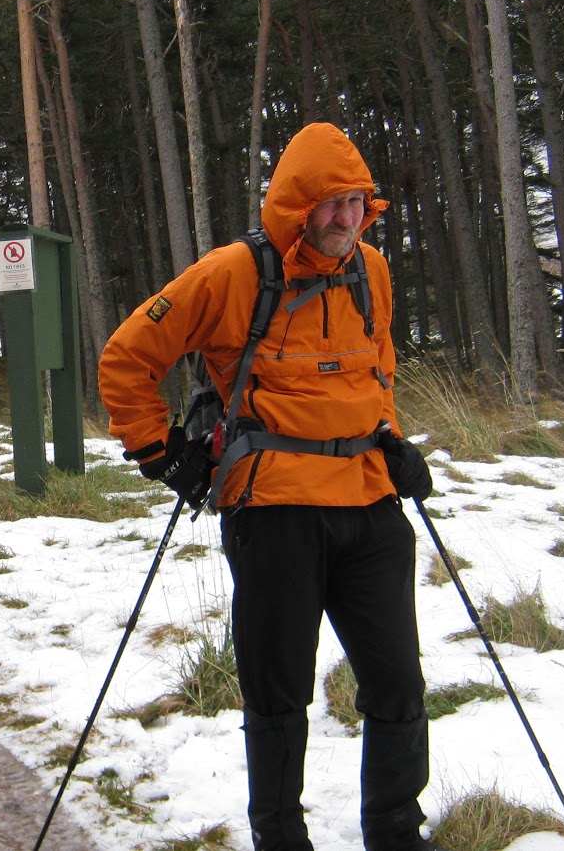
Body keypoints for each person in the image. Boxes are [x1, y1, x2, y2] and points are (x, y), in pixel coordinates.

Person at [97, 123, 437, 851]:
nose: (347, 218)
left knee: (399, 687)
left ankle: (397, 837)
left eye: (356, 203)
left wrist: (395, 443)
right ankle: (281, 840)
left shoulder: (370, 271)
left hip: (371, 505)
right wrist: (161, 453)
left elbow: (375, 372)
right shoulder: (233, 274)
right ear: (297, 208)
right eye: (331, 204)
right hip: (275, 509)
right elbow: (126, 357)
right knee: (279, 695)